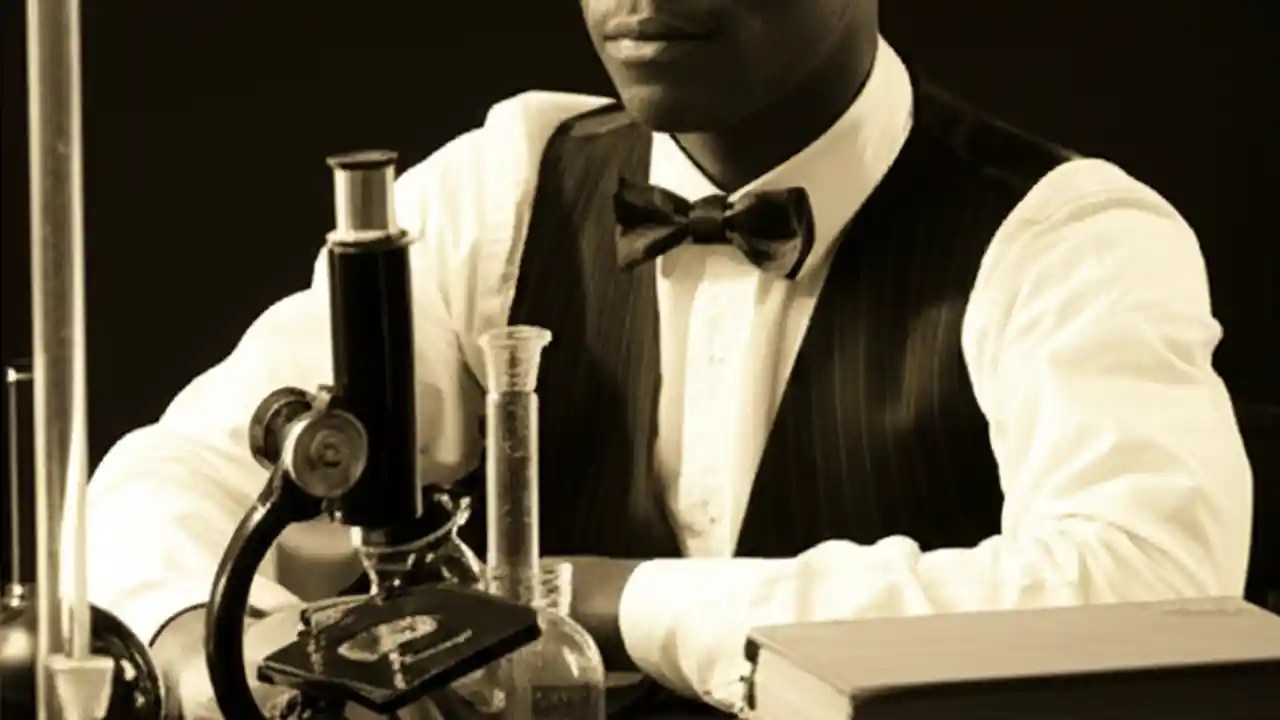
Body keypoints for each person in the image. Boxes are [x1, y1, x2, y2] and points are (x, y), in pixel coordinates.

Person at [86, 0, 1254, 716]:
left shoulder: (1066, 233)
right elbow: (167, 475)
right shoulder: (509, 180)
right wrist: (207, 641)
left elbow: (1153, 595)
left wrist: (615, 602)